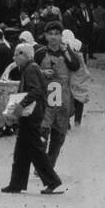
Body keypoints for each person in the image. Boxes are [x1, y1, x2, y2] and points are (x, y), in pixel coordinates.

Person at [0, 44, 65, 195]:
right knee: (21, 151)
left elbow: (35, 91)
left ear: (26, 55)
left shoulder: (30, 69)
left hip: (32, 115)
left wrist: (20, 106)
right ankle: (16, 183)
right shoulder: (30, 68)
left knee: (36, 151)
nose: (14, 57)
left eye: (18, 54)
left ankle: (53, 181)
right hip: (30, 115)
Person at [34, 21, 81, 168]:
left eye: (57, 34)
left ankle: (49, 165)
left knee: (59, 136)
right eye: (51, 34)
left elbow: (75, 66)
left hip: (63, 100)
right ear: (46, 36)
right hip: (45, 100)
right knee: (42, 133)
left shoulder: (67, 52)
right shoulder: (40, 53)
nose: (54, 37)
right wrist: (42, 72)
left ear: (61, 36)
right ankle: (41, 164)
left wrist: (66, 51)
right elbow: (30, 72)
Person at [62, 29, 92, 126]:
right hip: (80, 74)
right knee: (80, 95)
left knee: (68, 97)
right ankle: (77, 121)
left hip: (69, 73)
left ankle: (67, 121)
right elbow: (85, 60)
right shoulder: (81, 44)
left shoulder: (65, 46)